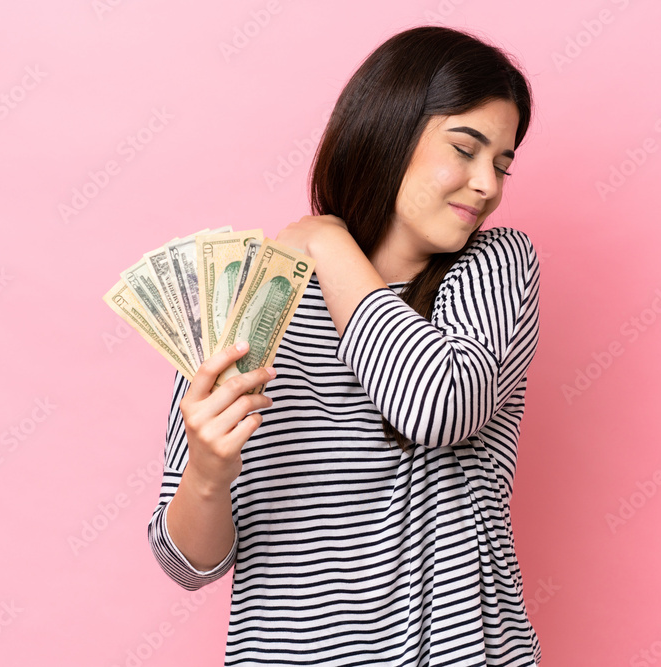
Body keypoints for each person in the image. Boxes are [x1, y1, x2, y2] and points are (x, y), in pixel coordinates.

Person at [148, 25, 542, 666]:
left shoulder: (493, 265)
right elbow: (187, 565)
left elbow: (440, 405)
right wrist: (208, 474)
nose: (488, 185)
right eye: (465, 149)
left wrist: (328, 243)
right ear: (390, 128)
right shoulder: (243, 300)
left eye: (501, 163)